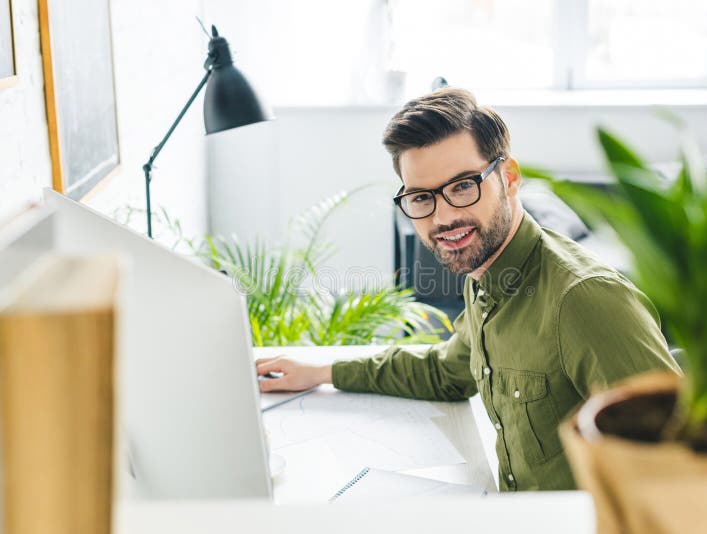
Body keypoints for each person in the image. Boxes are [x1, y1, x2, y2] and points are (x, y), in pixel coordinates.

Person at [256, 88, 680, 491]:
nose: (443, 218)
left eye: (463, 186)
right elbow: (447, 369)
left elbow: (679, 466)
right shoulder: (485, 280)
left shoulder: (584, 300)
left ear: (509, 178)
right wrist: (321, 372)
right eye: (422, 197)